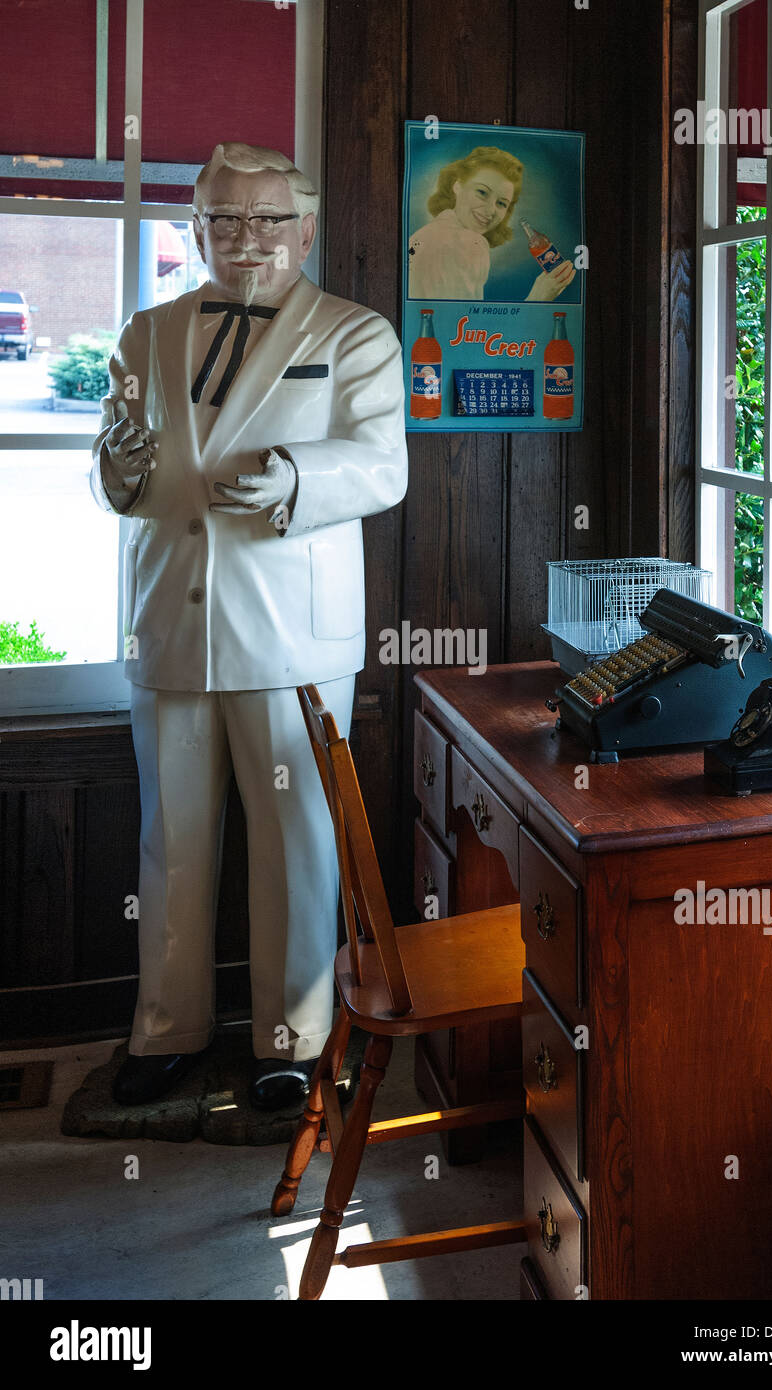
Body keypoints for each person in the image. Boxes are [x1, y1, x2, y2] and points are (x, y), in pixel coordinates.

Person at [90, 142, 407, 1111]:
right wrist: (120, 466)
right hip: (171, 627)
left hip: (291, 637)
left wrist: (300, 481)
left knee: (296, 837)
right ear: (194, 230)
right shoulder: (144, 334)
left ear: (305, 229)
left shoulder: (357, 335)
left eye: (268, 219)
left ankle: (293, 1037)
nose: (246, 239)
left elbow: (382, 467)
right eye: (223, 219)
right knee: (170, 839)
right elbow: (118, 475)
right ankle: (166, 1030)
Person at [408, 145, 575, 302]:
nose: (490, 210)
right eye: (482, 192)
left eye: (501, 203)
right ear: (457, 186)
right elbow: (465, 328)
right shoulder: (468, 242)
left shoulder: (420, 237)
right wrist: (540, 296)